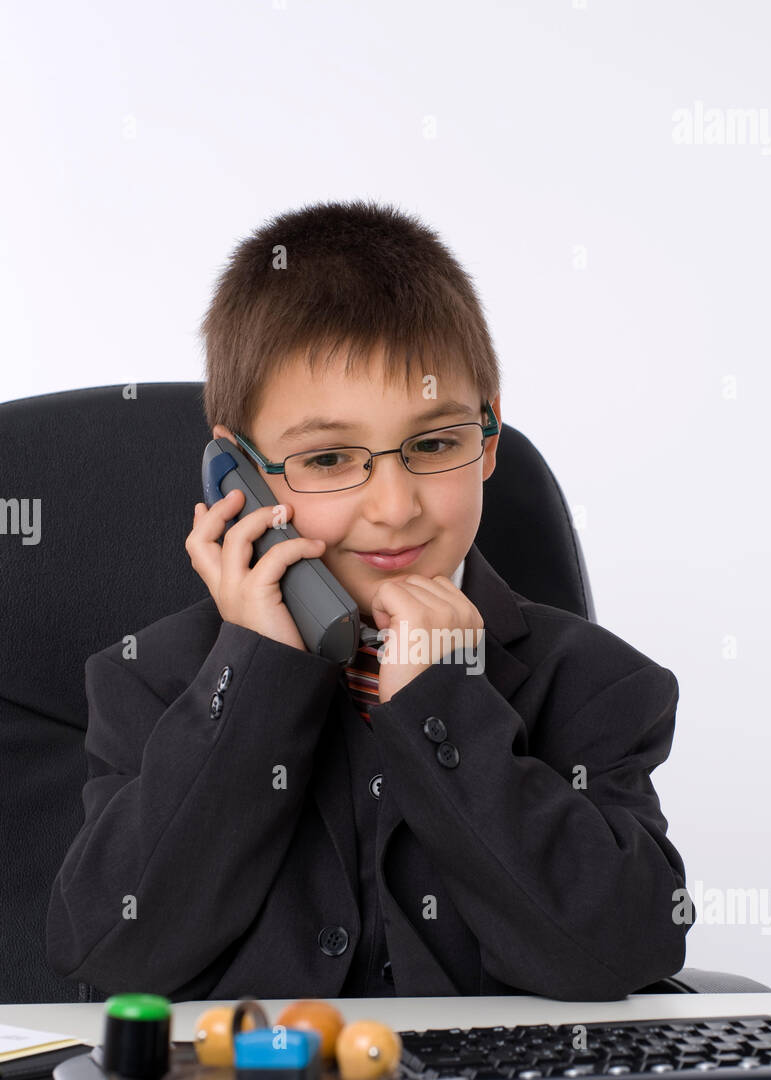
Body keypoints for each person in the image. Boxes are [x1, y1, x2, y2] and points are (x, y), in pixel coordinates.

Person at [46, 198, 695, 1001]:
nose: (394, 507)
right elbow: (112, 956)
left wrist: (444, 703)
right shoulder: (155, 679)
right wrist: (259, 675)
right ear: (235, 476)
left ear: (487, 443)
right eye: (327, 458)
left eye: (432, 444)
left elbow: (620, 952)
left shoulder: (597, 683)